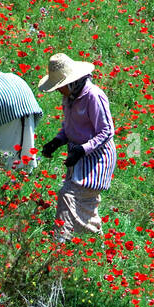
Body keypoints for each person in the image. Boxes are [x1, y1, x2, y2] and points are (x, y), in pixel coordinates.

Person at [38, 53, 116, 241]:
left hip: (97, 158)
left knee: (69, 195)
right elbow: (70, 127)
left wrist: (82, 149)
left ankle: (61, 242)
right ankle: (92, 246)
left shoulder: (93, 96)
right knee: (83, 202)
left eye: (59, 87)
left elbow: (106, 131)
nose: (58, 91)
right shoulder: (70, 97)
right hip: (79, 157)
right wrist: (56, 141)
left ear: (71, 82)